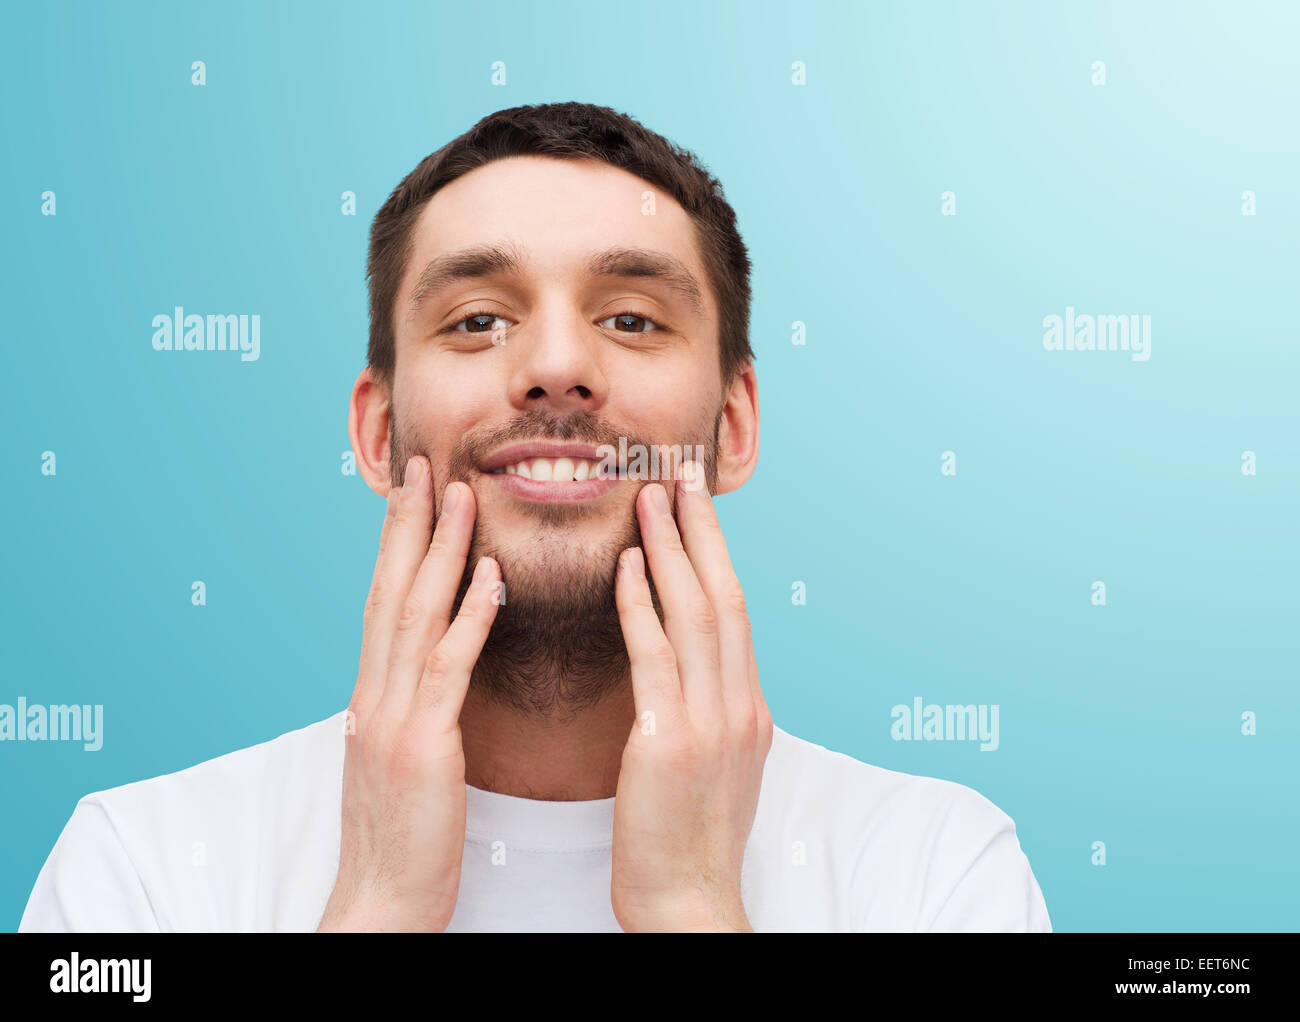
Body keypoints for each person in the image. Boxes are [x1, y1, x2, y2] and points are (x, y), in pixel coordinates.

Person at [19, 102, 1050, 932]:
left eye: (632, 318)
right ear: (378, 434)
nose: (556, 367)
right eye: (478, 321)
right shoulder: (139, 866)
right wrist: (375, 907)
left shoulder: (935, 871)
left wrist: (692, 908)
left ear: (733, 425)